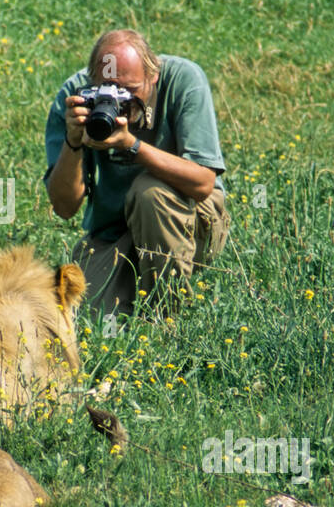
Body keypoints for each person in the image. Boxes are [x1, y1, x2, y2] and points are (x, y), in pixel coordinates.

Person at [43, 28, 230, 318]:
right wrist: (73, 142)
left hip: (191, 219)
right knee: (86, 321)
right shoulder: (74, 98)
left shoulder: (184, 80)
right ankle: (139, 296)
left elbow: (204, 183)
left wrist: (133, 145)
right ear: (91, 82)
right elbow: (65, 208)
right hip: (114, 231)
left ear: (153, 75)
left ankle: (169, 317)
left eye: (129, 91)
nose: (120, 103)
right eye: (106, 92)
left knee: (151, 193)